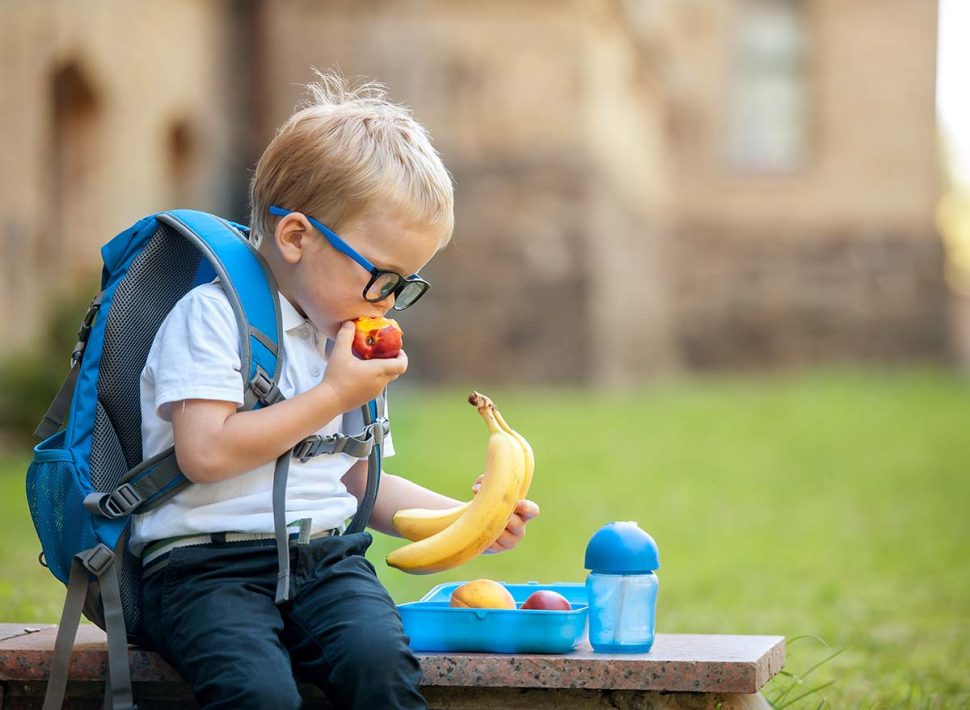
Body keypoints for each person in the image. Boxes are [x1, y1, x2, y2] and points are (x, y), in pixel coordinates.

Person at [131, 71, 540, 710]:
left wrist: (470, 521)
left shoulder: (345, 342)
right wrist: (332, 395)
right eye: (382, 276)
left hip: (326, 561)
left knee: (382, 667)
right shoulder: (211, 318)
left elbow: (355, 481)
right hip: (205, 569)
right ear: (297, 237)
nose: (388, 300)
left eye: (405, 284)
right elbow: (204, 453)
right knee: (257, 694)